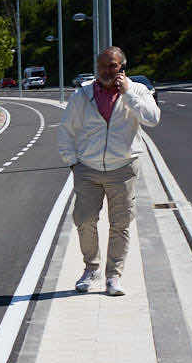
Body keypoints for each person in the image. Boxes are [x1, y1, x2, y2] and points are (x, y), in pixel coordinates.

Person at [56, 45, 162, 296]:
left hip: (123, 168)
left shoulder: (138, 90)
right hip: (87, 169)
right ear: (96, 68)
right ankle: (91, 268)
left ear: (122, 67)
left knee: (120, 224)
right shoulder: (82, 95)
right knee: (84, 220)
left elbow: (152, 119)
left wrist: (128, 94)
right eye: (102, 66)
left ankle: (113, 276)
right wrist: (73, 162)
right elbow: (66, 130)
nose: (107, 71)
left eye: (112, 66)